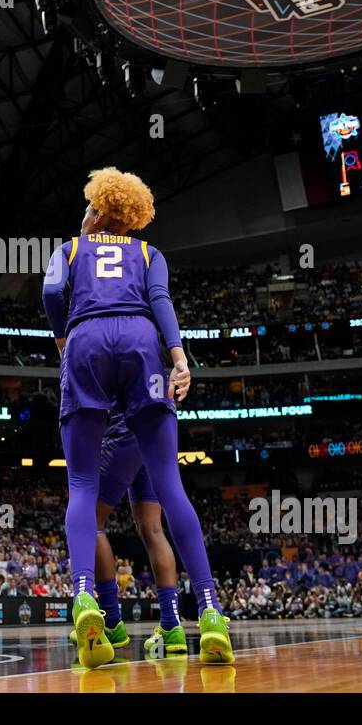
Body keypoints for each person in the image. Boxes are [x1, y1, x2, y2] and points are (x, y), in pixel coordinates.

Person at [42, 167, 232, 668]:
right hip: (143, 343)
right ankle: (210, 612)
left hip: (86, 339)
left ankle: (85, 599)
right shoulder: (150, 254)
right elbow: (160, 301)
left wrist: (64, 337)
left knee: (82, 484)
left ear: (102, 210)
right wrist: (180, 358)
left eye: (88, 207)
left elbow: (48, 294)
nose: (84, 214)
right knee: (171, 488)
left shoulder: (69, 249)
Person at [67, 414, 193, 658]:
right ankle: (171, 625)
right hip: (153, 430)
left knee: (90, 519)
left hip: (124, 428)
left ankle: (111, 622)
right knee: (154, 529)